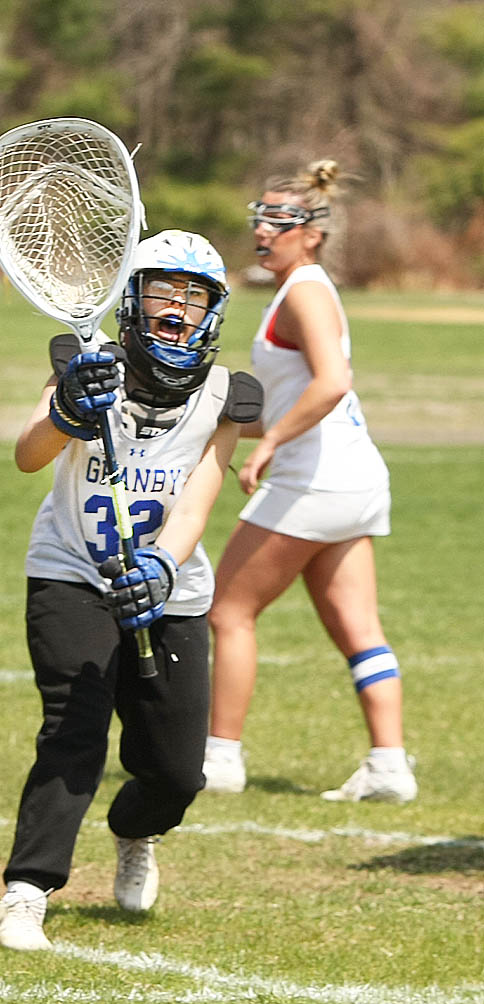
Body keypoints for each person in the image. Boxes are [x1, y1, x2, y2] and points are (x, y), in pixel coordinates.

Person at [0, 231, 262, 951]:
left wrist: (164, 567)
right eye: (163, 293)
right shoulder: (84, 365)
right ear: (132, 302)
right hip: (72, 570)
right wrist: (67, 415)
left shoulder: (225, 394)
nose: (177, 310)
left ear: (214, 310)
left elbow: (199, 501)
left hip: (171, 587)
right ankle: (27, 889)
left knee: (177, 769)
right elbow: (26, 457)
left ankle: (135, 831)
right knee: (73, 728)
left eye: (194, 296)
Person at [202, 160, 416, 803]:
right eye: (259, 218)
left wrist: (268, 442)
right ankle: (389, 767)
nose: (263, 231)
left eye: (279, 220)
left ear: (313, 232)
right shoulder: (296, 288)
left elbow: (332, 383)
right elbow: (295, 394)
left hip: (316, 483)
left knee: (230, 611)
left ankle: (221, 759)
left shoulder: (304, 290)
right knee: (359, 629)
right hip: (353, 481)